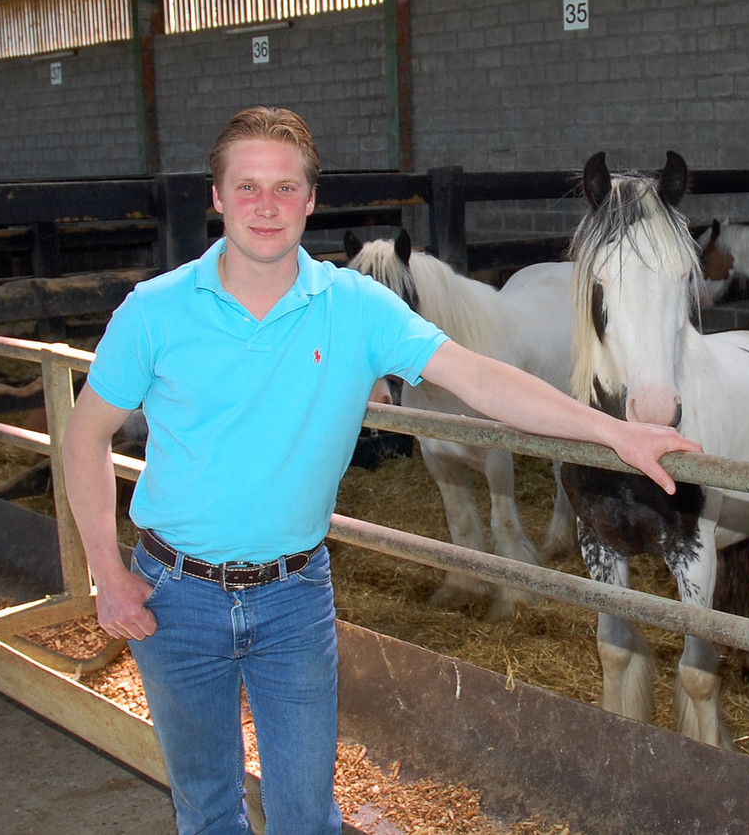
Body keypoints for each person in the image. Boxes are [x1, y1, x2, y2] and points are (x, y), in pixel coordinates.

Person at [61, 106, 701, 835]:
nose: (266, 206)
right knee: (206, 808)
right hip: (175, 595)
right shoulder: (155, 311)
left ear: (310, 200)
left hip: (292, 597)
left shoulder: (355, 306)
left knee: (306, 813)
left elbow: (478, 378)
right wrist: (107, 574)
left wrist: (615, 431)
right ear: (217, 196)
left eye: (284, 188)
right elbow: (84, 439)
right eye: (247, 187)